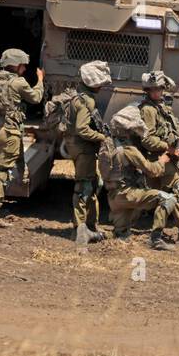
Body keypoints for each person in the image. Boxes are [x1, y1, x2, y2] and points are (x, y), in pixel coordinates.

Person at [0, 48, 44, 227]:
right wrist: (40, 80)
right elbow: (36, 98)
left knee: (15, 157)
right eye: (23, 66)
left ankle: (22, 178)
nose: (24, 69)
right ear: (17, 65)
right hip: (9, 132)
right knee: (2, 172)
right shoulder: (18, 83)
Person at [104, 105, 179, 251]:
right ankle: (156, 239)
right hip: (128, 194)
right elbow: (152, 171)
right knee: (168, 198)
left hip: (113, 197)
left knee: (120, 235)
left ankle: (98, 235)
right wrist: (162, 161)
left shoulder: (107, 145)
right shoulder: (129, 150)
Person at [136, 70, 179, 246]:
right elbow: (147, 139)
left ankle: (168, 234)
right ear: (147, 91)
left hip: (167, 157)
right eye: (153, 89)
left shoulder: (162, 107)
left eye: (160, 89)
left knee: (167, 196)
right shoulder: (148, 110)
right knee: (177, 193)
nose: (157, 92)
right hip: (159, 158)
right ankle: (165, 235)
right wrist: (168, 148)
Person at [66, 60, 111, 244]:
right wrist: (102, 138)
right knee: (84, 187)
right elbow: (82, 129)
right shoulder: (86, 101)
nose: (101, 86)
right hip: (84, 149)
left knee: (93, 184)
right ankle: (81, 229)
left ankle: (90, 227)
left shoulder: (79, 97)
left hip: (80, 147)